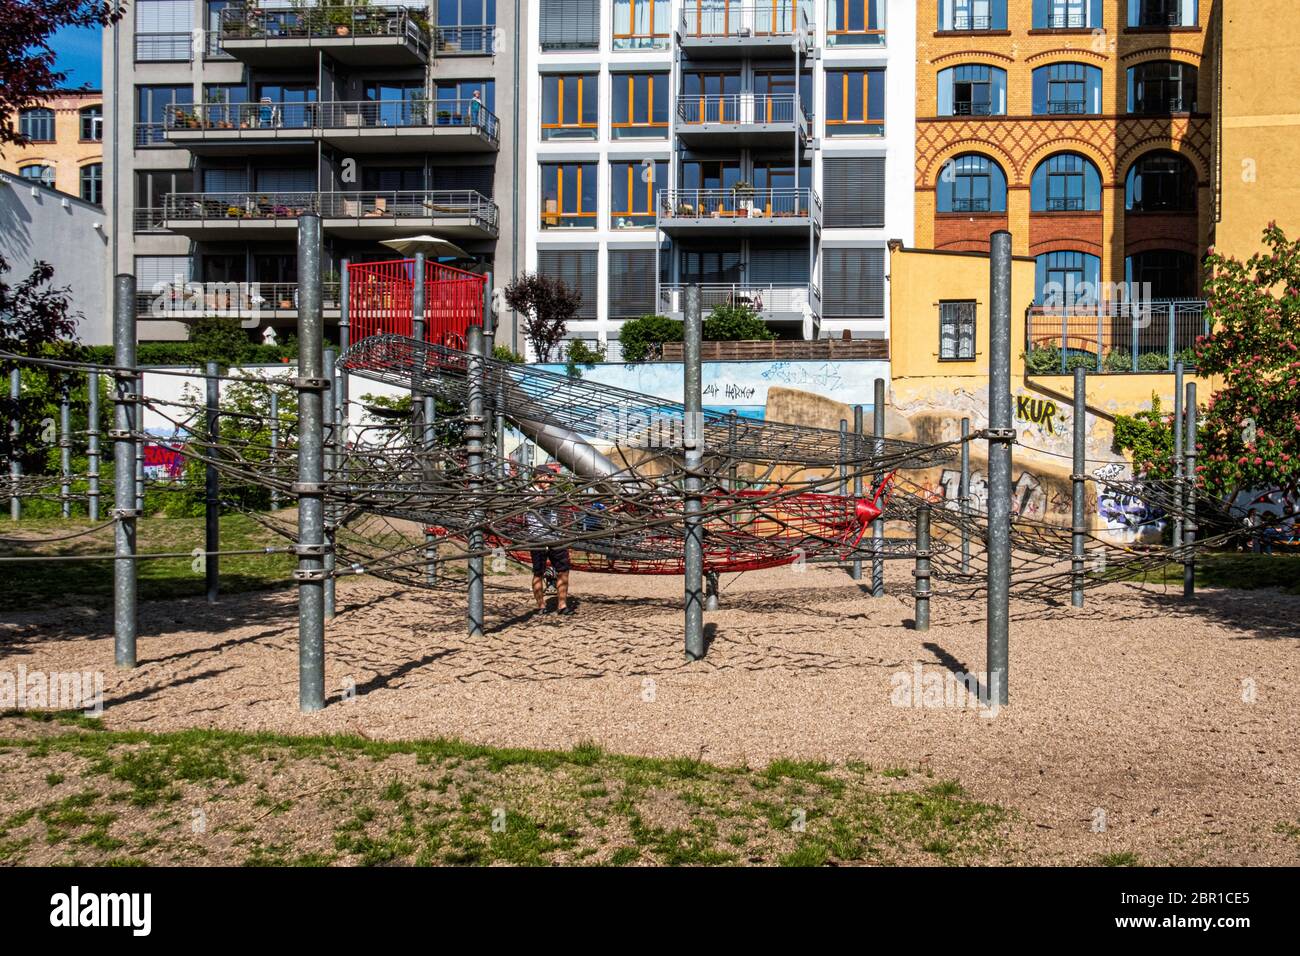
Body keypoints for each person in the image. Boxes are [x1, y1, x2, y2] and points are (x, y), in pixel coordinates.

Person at [526, 467, 572, 615]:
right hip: (537, 538)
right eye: (548, 476)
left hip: (554, 537)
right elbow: (539, 502)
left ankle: (562, 605)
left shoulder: (553, 492)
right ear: (538, 477)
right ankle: (541, 605)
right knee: (538, 572)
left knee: (563, 570)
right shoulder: (527, 492)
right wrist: (546, 493)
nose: (550, 480)